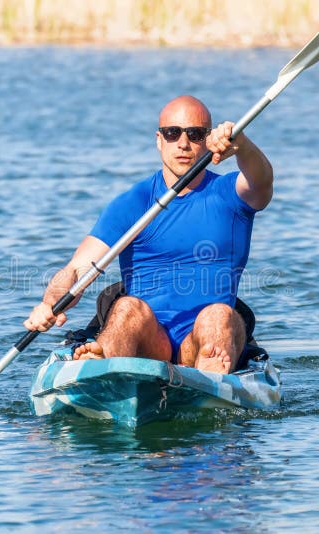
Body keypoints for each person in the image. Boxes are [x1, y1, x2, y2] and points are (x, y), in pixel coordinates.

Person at [23, 95, 273, 374]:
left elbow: (261, 181)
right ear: (159, 140)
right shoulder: (133, 203)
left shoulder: (231, 194)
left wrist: (242, 147)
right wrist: (48, 304)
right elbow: (77, 269)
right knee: (127, 307)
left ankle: (210, 376)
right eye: (172, 133)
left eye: (195, 134)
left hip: (202, 340)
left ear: (208, 140)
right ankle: (101, 364)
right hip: (150, 341)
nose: (183, 143)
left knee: (218, 315)